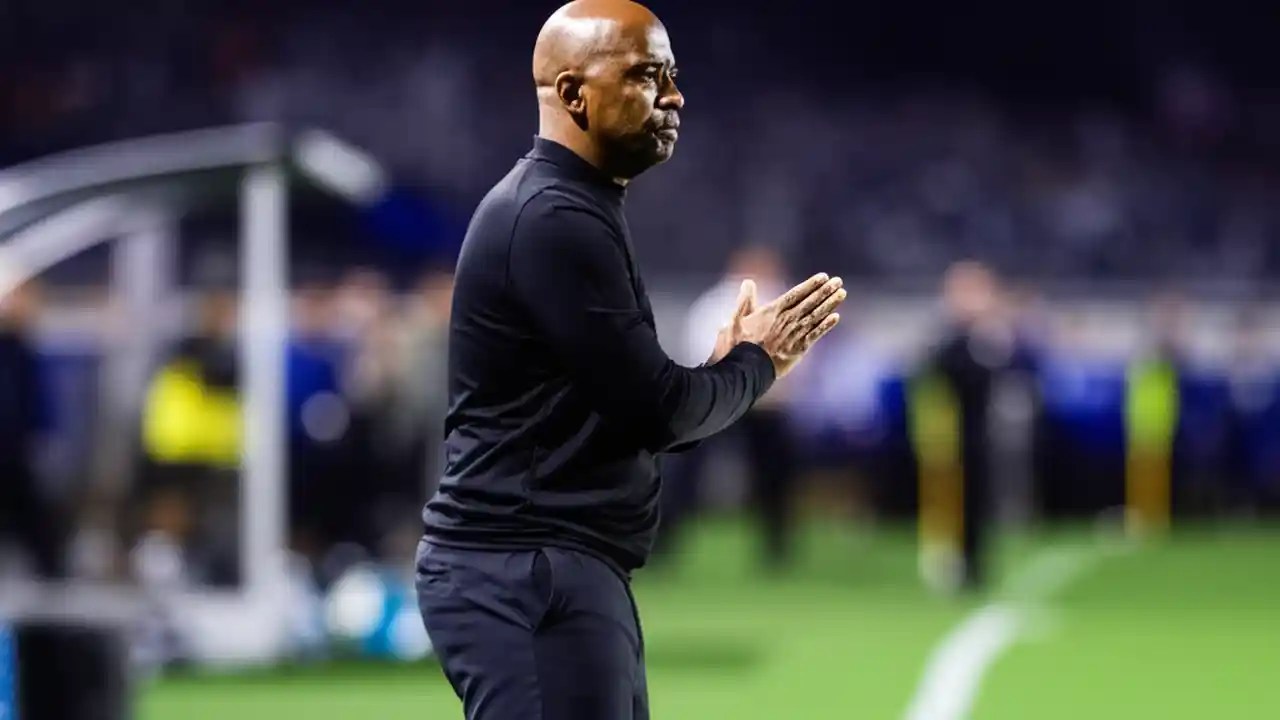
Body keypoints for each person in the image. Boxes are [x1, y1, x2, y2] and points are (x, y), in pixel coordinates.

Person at [414, 1, 846, 717]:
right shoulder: (554, 215)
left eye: (672, 76)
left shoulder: (574, 204)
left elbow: (624, 404)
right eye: (647, 75)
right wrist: (756, 361)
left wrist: (727, 364)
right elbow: (660, 411)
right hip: (526, 570)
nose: (674, 96)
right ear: (574, 94)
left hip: (547, 566)